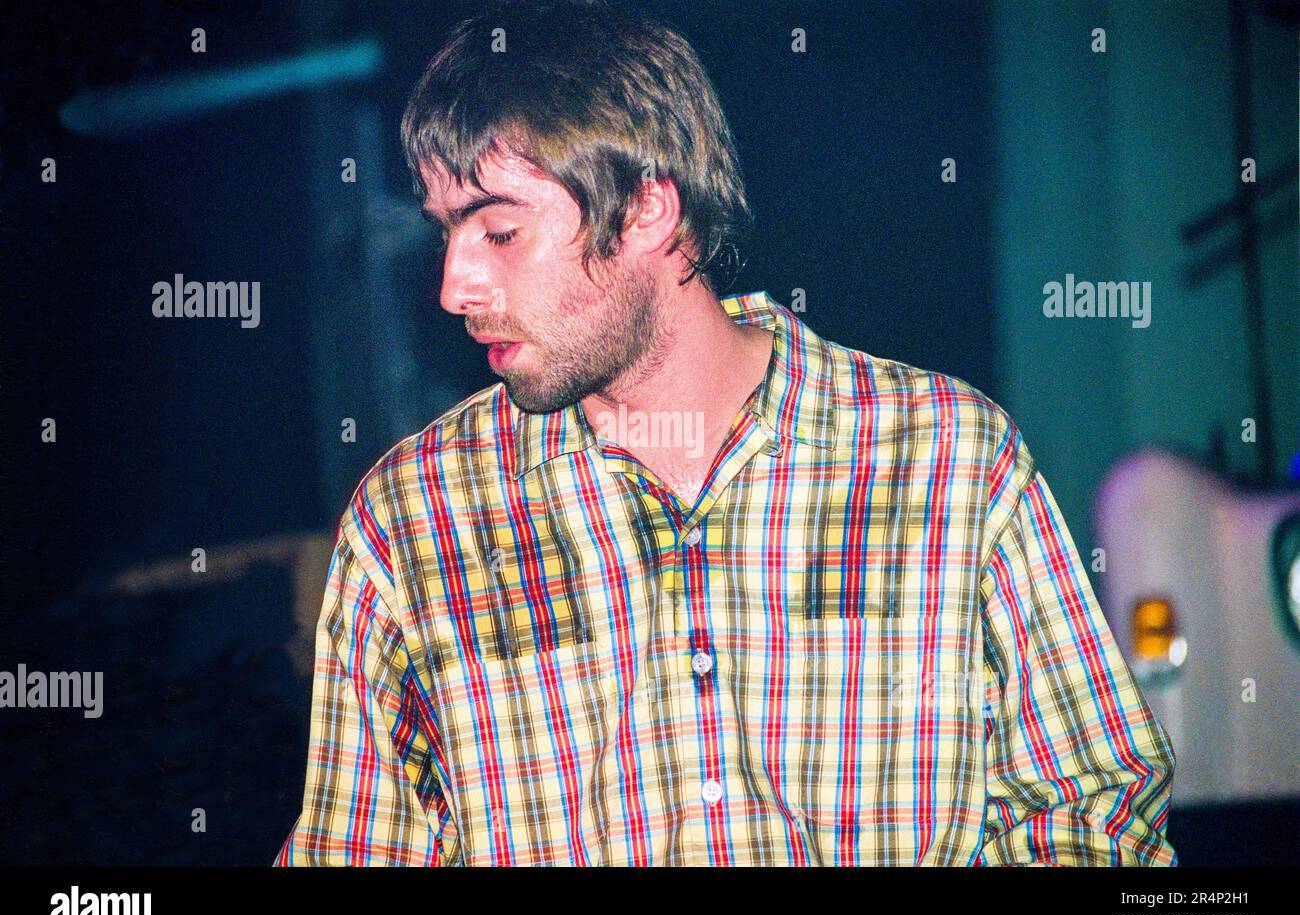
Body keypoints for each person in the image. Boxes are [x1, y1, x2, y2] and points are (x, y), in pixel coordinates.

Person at [274, 0, 1177, 866]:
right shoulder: (416, 516)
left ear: (646, 211)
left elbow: (1089, 807)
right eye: (447, 236)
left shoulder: (948, 458)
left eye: (500, 233)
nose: (453, 288)